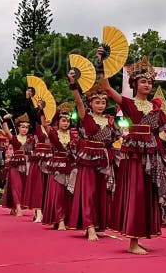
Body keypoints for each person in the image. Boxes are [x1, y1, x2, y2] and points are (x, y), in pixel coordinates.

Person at [99, 54, 166, 255]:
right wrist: (101, 62)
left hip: (154, 154)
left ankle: (139, 236)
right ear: (134, 83)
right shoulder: (128, 103)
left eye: (150, 82)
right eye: (143, 81)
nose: (147, 85)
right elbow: (107, 88)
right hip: (134, 155)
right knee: (135, 194)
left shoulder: (156, 107)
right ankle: (132, 241)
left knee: (147, 195)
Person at [67, 76, 122, 241]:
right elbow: (78, 103)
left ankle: (98, 225)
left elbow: (117, 139)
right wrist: (73, 84)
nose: (101, 105)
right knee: (88, 193)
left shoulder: (110, 121)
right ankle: (89, 227)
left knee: (102, 193)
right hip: (88, 159)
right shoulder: (86, 118)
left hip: (105, 160)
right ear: (90, 103)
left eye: (103, 103)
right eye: (97, 102)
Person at [40, 103, 76, 230]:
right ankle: (59, 219)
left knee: (68, 194)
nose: (66, 123)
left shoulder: (74, 134)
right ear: (58, 121)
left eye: (68, 121)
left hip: (70, 166)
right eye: (63, 121)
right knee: (58, 194)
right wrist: (42, 109)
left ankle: (68, 219)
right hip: (56, 166)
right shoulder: (54, 133)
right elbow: (44, 125)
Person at [1, 114, 32, 217]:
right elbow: (6, 131)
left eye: (26, 127)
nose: (24, 129)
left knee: (23, 187)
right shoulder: (14, 138)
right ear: (18, 127)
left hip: (27, 166)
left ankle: (14, 207)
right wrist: (4, 119)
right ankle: (18, 208)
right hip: (15, 165)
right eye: (22, 127)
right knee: (16, 186)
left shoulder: (31, 139)